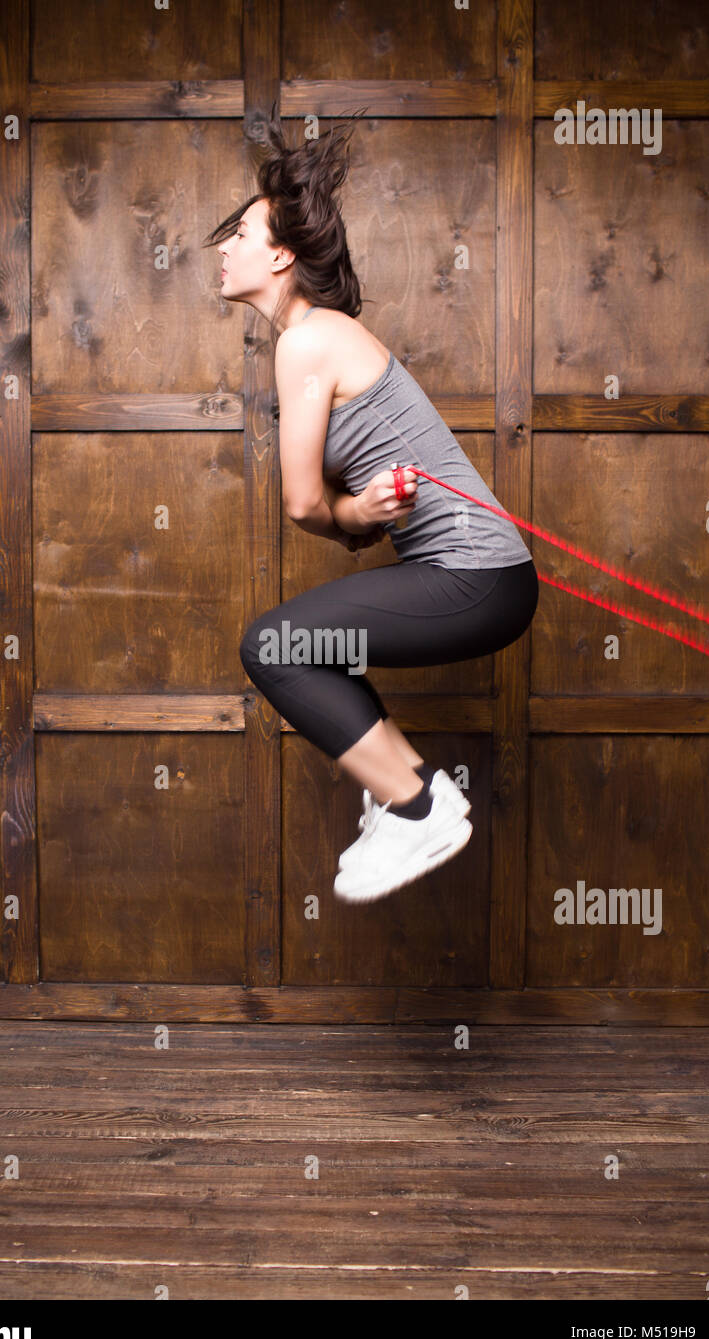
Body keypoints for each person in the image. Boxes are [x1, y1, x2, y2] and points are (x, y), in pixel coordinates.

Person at [202, 107, 538, 904]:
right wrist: (361, 512)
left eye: (241, 235)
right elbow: (330, 511)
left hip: (478, 576)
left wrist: (351, 514)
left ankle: (417, 802)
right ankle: (409, 800)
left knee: (274, 646)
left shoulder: (307, 339)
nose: (224, 248)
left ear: (281, 255)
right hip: (484, 579)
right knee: (299, 647)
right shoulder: (315, 337)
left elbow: (302, 505)